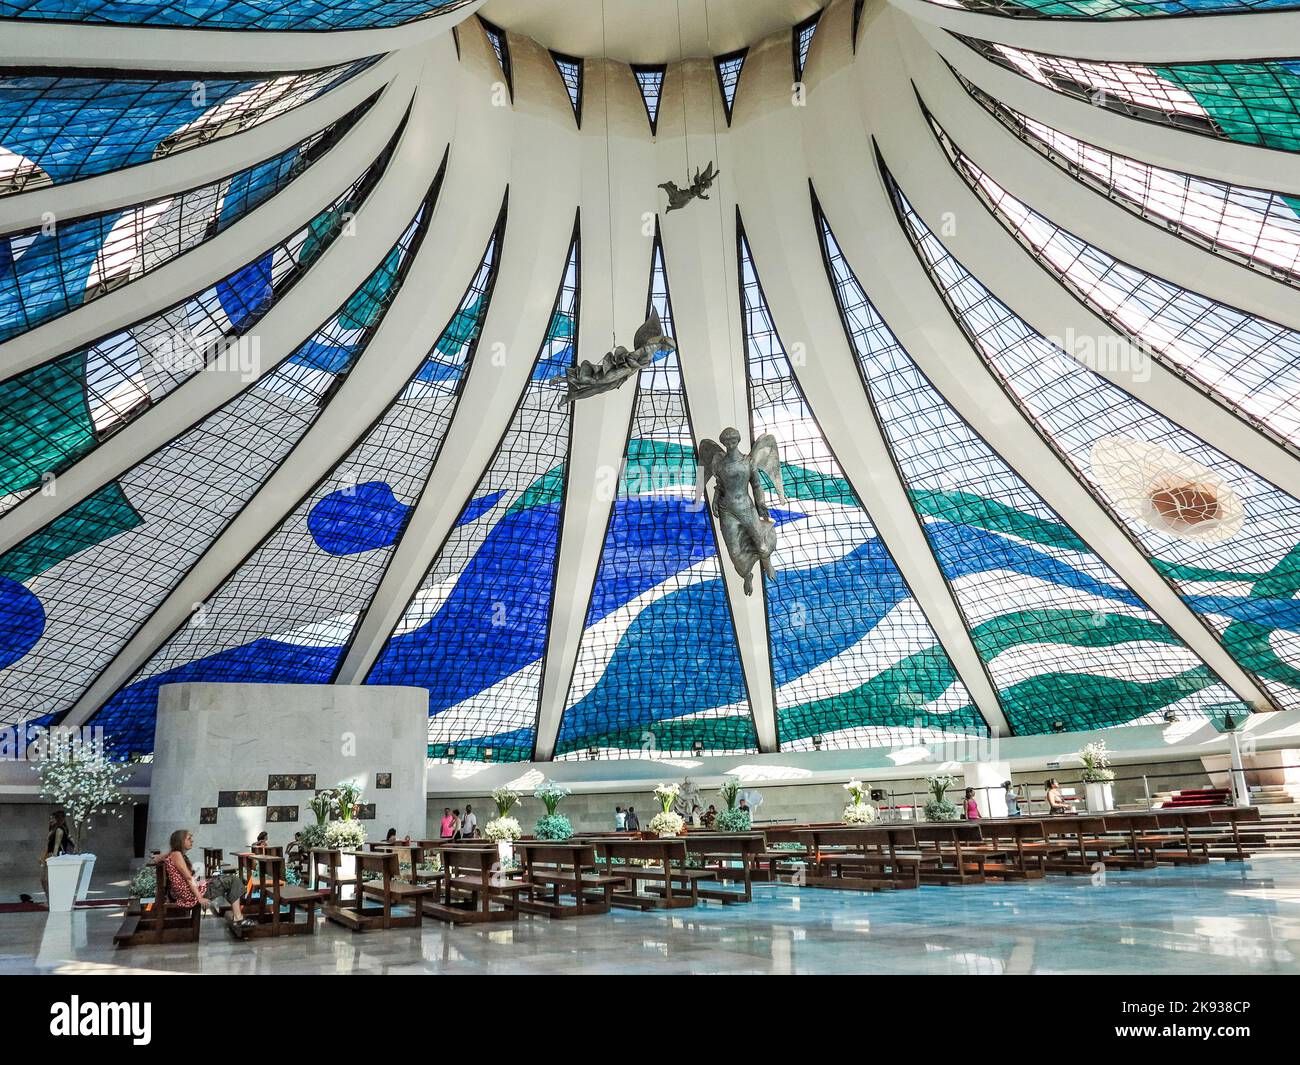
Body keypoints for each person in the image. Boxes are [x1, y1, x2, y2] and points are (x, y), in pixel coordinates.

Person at [165, 829, 253, 928]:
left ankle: (237, 915)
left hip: (186, 891)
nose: (192, 841)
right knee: (233, 880)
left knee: (227, 879)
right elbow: (189, 878)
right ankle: (238, 918)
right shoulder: (176, 854)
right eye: (189, 839)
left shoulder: (174, 854)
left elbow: (165, 857)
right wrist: (200, 898)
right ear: (180, 841)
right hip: (189, 893)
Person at [40, 810, 76, 898]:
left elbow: (56, 846)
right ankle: (50, 899)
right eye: (50, 819)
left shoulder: (59, 830)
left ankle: (52, 899)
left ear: (58, 819)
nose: (50, 820)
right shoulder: (54, 830)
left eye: (53, 818)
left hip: (54, 857)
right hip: (50, 856)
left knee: (46, 880)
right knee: (44, 880)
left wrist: (53, 859)